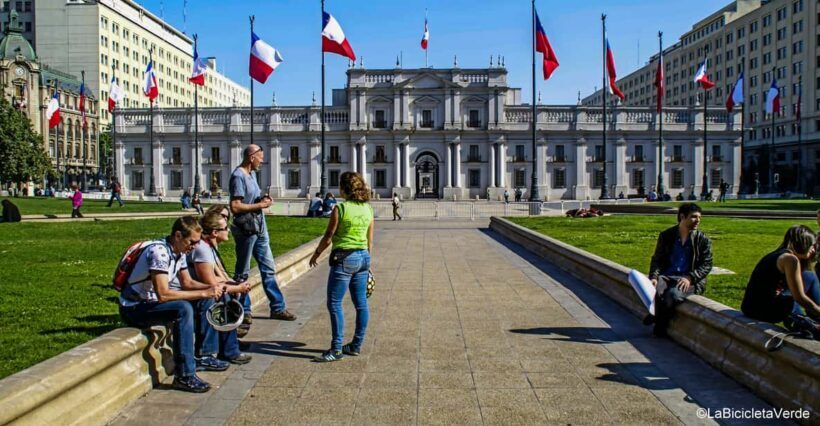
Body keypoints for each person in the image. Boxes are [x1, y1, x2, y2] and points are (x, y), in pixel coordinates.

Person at [118, 216, 225, 393]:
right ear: (177, 236)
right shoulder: (159, 253)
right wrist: (205, 291)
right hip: (134, 308)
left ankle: (205, 354)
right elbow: (163, 294)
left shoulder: (179, 252)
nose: (195, 247)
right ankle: (184, 375)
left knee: (204, 299)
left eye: (197, 242)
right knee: (183, 309)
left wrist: (214, 287)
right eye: (192, 242)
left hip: (150, 303)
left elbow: (188, 283)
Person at [309, 172, 374, 362]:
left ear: (344, 188)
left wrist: (316, 254)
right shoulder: (367, 209)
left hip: (345, 257)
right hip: (363, 256)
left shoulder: (341, 208)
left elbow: (329, 236)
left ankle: (336, 348)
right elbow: (370, 239)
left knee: (335, 303)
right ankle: (356, 345)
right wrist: (368, 262)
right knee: (361, 304)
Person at [230, 144, 296, 322]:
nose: (262, 161)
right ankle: (244, 309)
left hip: (260, 226)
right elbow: (235, 206)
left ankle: (277, 307)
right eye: (260, 157)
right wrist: (260, 205)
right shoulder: (238, 176)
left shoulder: (252, 175)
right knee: (242, 271)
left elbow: (252, 198)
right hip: (246, 229)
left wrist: (263, 200)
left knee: (269, 268)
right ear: (251, 157)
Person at [187, 207, 253, 365]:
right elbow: (210, 285)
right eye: (225, 228)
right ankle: (227, 350)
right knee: (224, 297)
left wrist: (233, 284)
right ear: (215, 232)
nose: (229, 230)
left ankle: (230, 345)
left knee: (232, 292)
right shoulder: (203, 249)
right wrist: (236, 288)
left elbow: (218, 275)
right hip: (189, 292)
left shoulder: (208, 246)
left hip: (196, 289)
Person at [646, 203, 713, 336]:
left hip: (688, 278)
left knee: (673, 295)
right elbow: (657, 259)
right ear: (682, 216)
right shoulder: (667, 236)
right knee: (654, 292)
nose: (698, 220)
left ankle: (658, 325)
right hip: (667, 276)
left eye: (699, 217)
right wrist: (654, 277)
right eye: (694, 217)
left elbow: (707, 264)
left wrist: (691, 277)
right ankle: (656, 318)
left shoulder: (702, 240)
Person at [741, 225, 820, 323]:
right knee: (806, 283)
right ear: (803, 243)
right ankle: (809, 322)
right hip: (761, 312)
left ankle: (812, 321)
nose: (813, 250)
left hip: (751, 307)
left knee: (809, 276)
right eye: (812, 245)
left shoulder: (779, 254)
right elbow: (799, 297)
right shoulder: (790, 260)